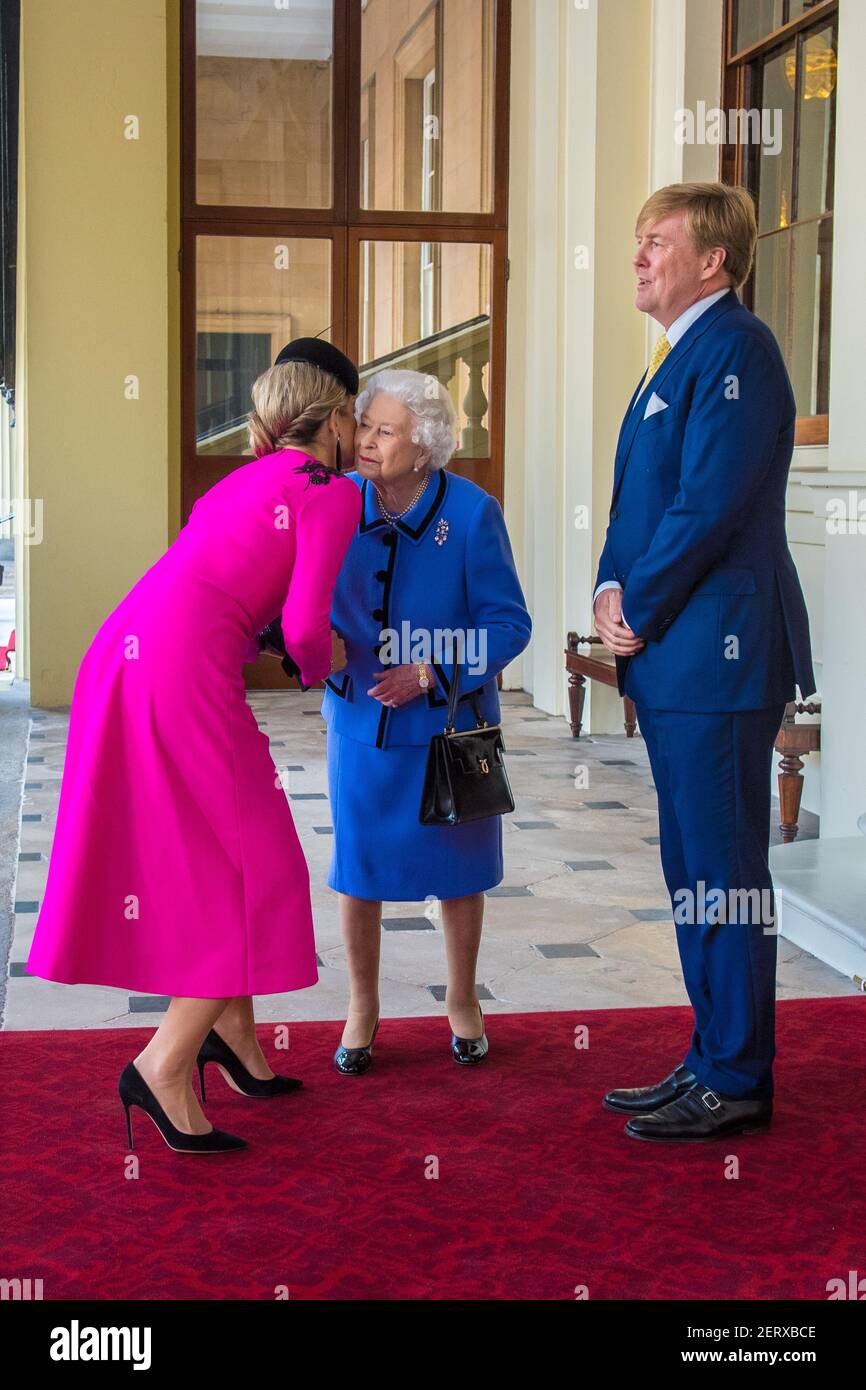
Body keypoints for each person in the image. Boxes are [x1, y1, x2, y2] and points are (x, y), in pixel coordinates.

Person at [26, 341, 362, 1154]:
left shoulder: (240, 480)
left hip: (127, 649)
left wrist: (283, 642)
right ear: (341, 418)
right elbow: (310, 625)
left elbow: (229, 584)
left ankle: (234, 1040)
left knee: (216, 851)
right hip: (182, 669)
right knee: (257, 864)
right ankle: (164, 1063)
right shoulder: (330, 492)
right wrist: (330, 668)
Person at [593, 182, 815, 1142]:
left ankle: (737, 1076)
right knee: (695, 868)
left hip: (718, 658)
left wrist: (634, 604)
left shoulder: (738, 352)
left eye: (657, 241)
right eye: (637, 241)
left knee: (725, 870)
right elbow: (637, 505)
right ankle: (711, 1053)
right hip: (679, 660)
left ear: (714, 260)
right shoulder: (677, 358)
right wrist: (607, 589)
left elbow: (707, 508)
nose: (638, 256)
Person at [320, 368, 531, 1073]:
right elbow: (302, 591)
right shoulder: (335, 502)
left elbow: (510, 625)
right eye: (366, 426)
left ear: (426, 446)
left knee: (461, 870)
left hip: (448, 730)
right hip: (362, 723)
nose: (366, 442)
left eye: (385, 431)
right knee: (360, 868)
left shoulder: (472, 514)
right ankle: (362, 1006)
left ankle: (463, 1000)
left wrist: (430, 670)